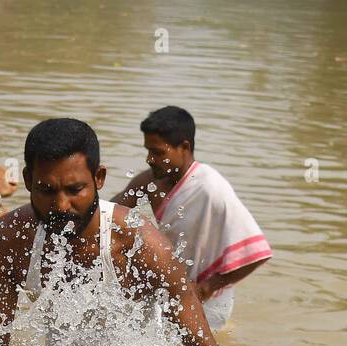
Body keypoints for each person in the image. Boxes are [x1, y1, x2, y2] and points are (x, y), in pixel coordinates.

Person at [0, 118, 241, 346]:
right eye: (46, 190)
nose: (61, 205)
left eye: (75, 190)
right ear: (28, 180)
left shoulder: (139, 243)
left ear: (98, 179)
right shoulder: (11, 239)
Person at [112, 106, 271, 332]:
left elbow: (257, 253)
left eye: (158, 153)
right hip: (172, 288)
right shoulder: (150, 182)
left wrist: (204, 290)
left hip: (207, 298)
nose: (149, 159)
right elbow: (110, 213)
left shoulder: (211, 188)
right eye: (148, 151)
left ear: (184, 147)